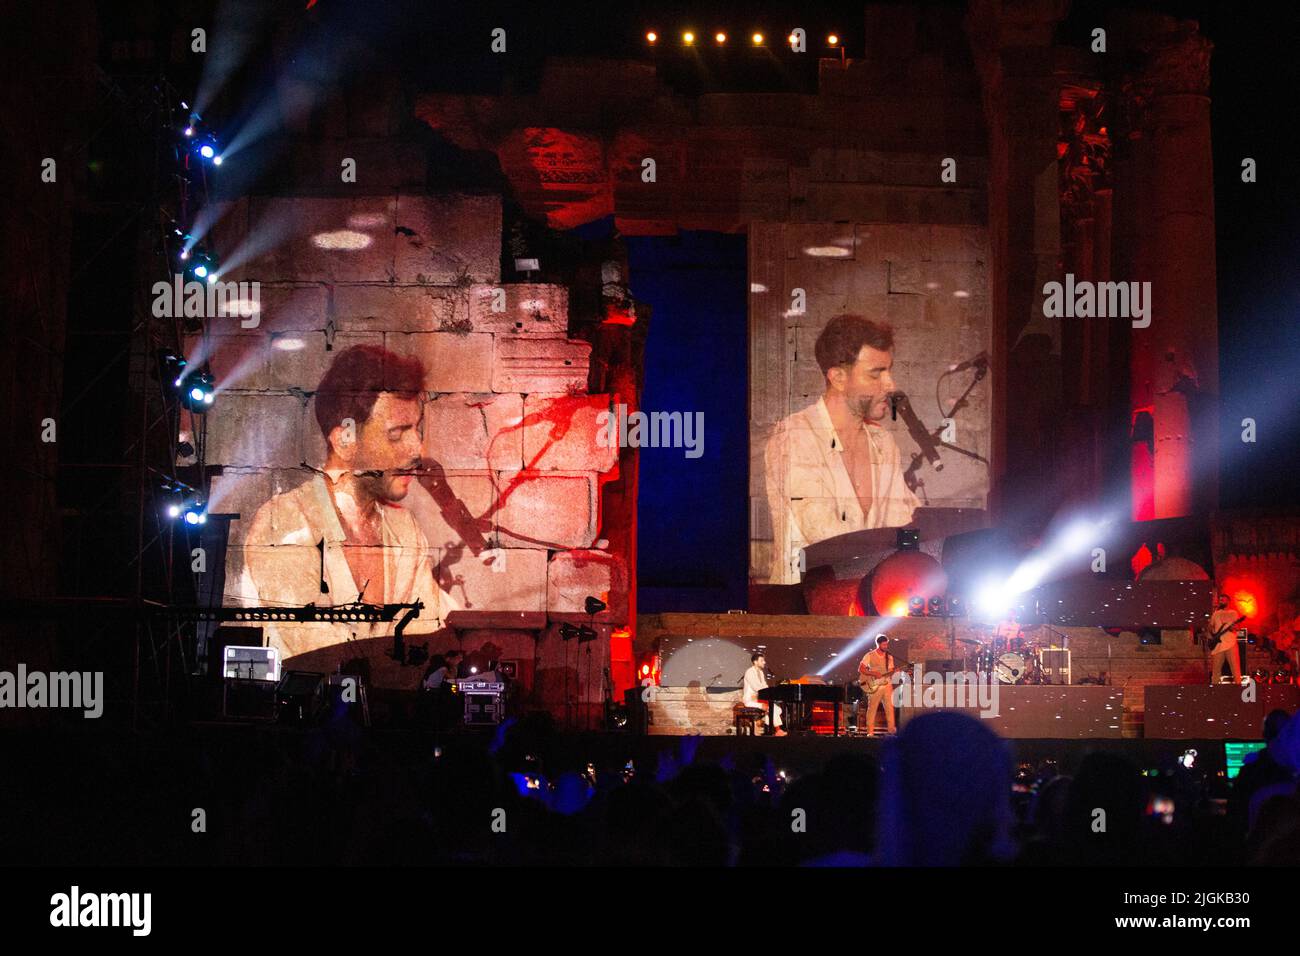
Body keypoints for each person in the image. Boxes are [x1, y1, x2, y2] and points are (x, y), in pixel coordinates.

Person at [237, 345, 458, 664]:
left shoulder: (404, 528)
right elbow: (318, 655)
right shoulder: (282, 521)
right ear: (344, 440)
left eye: (417, 429)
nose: (416, 449)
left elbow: (430, 635)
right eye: (398, 433)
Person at [764, 315, 919, 583]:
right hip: (803, 612)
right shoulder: (793, 438)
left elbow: (903, 526)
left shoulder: (884, 445)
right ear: (837, 377)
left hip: (869, 607)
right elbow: (828, 540)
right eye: (876, 373)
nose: (890, 385)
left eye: (889, 370)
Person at [857, 635, 897, 737]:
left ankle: (892, 731)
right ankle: (870, 732)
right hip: (874, 685)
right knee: (872, 708)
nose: (886, 646)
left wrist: (895, 672)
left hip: (887, 684)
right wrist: (873, 673)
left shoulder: (890, 657)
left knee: (890, 708)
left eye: (887, 644)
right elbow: (861, 669)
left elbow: (891, 671)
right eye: (884, 644)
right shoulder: (870, 655)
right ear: (878, 644)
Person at [742, 653, 785, 736]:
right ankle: (778, 730)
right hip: (750, 700)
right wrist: (766, 694)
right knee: (770, 708)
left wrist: (770, 692)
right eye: (762, 660)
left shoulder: (761, 672)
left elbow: (764, 686)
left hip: (759, 698)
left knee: (779, 710)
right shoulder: (749, 672)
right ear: (755, 662)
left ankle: (763, 722)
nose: (764, 662)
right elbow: (756, 687)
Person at [1207, 592, 1244, 685]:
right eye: (1220, 600)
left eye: (1223, 600)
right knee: (1216, 671)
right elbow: (1210, 626)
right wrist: (1212, 635)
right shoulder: (1216, 613)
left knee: (1235, 669)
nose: (1221, 601)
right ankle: (1214, 692)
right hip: (1218, 645)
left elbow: (1237, 627)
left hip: (1230, 643)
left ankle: (1238, 690)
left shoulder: (1233, 613)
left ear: (1228, 601)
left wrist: (1233, 628)